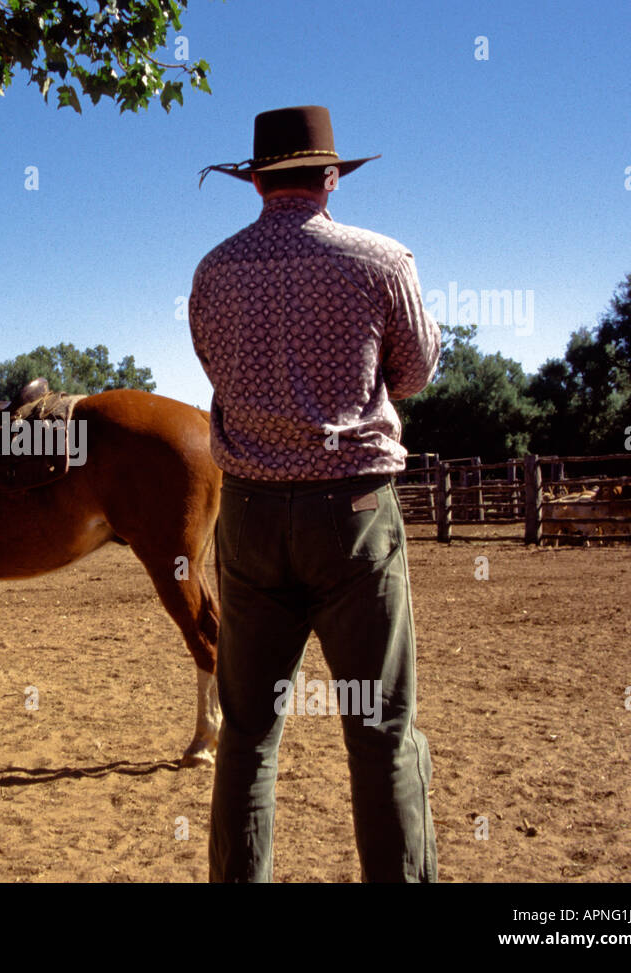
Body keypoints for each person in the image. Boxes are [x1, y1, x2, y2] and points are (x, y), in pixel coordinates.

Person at [189, 105, 440, 882]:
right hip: (355, 515)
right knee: (380, 732)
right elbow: (416, 372)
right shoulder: (382, 260)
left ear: (257, 180)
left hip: (253, 513)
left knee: (249, 737)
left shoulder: (212, 272)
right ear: (330, 178)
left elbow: (216, 370)